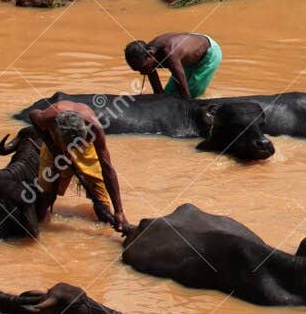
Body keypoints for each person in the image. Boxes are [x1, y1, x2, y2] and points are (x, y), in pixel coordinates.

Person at [26, 101, 128, 232]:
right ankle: (40, 223)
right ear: (56, 127)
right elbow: (32, 115)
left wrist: (119, 211)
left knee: (101, 200)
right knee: (46, 193)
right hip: (56, 143)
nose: (72, 150)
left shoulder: (94, 129)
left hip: (85, 148)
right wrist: (54, 148)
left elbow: (107, 168)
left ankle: (109, 221)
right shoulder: (48, 117)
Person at [124, 32, 223, 99]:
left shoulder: (170, 54)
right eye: (138, 70)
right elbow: (158, 92)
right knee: (170, 93)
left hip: (208, 53)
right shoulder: (147, 56)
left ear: (150, 55)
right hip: (188, 52)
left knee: (192, 93)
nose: (142, 73)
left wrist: (187, 102)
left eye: (143, 68)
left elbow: (185, 95)